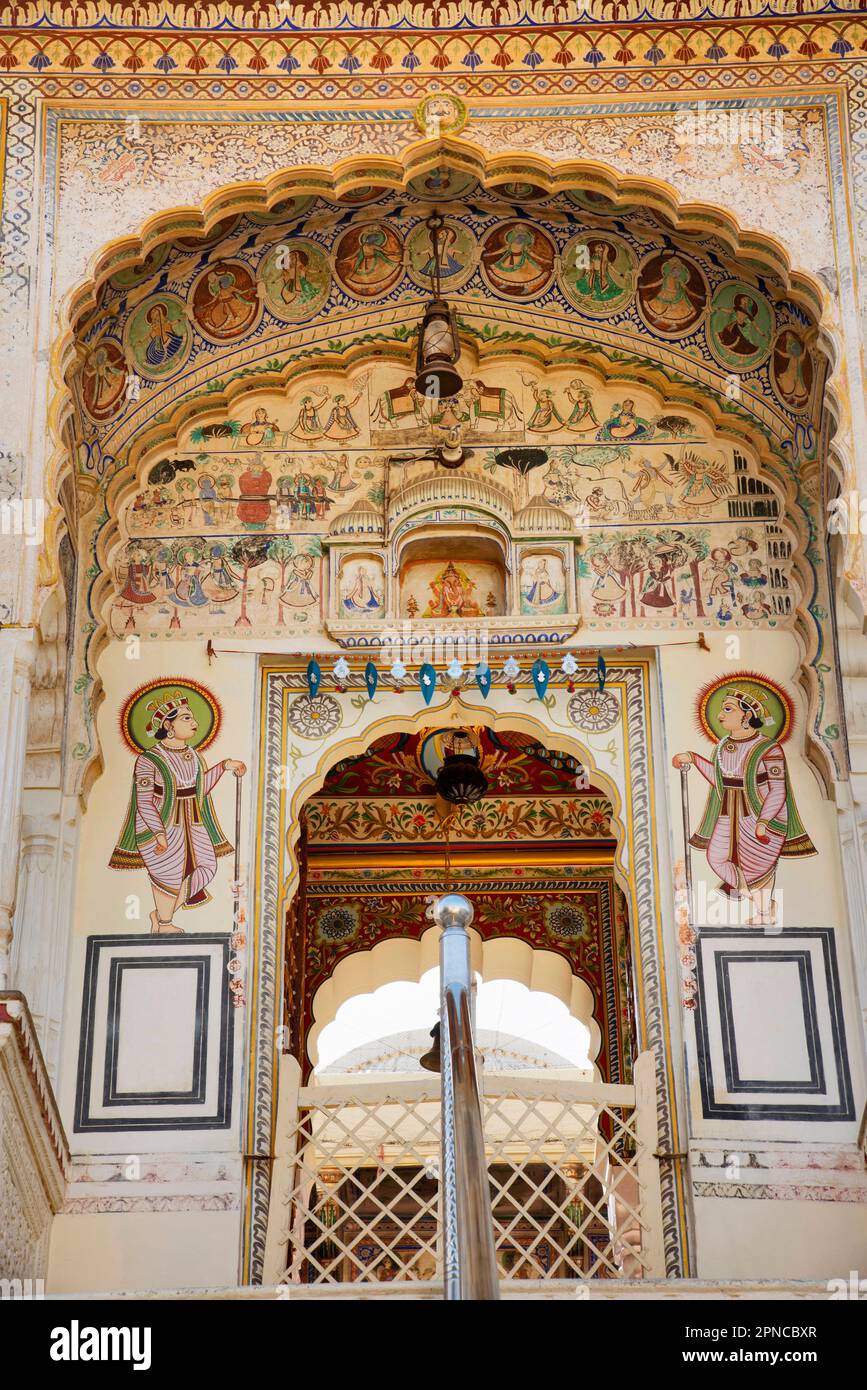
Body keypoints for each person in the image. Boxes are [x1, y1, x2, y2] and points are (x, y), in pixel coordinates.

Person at [672, 685, 816, 925]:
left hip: (761, 813)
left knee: (760, 864)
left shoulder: (768, 747)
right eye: (721, 709)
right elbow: (720, 780)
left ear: (747, 715)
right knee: (715, 857)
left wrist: (763, 822)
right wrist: (694, 759)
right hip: (729, 811)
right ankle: (757, 900)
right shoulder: (721, 747)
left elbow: (778, 788)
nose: (720, 715)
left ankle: (764, 913)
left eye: (728, 709)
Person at [109, 694, 245, 934]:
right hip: (160, 823)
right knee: (167, 875)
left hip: (192, 820)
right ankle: (163, 923)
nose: (194, 722)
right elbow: (144, 801)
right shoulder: (148, 760)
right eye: (186, 718)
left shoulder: (194, 756)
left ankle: (162, 914)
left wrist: (224, 766)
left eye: (192, 718)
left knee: (207, 867)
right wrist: (159, 834)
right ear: (168, 726)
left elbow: (199, 789)